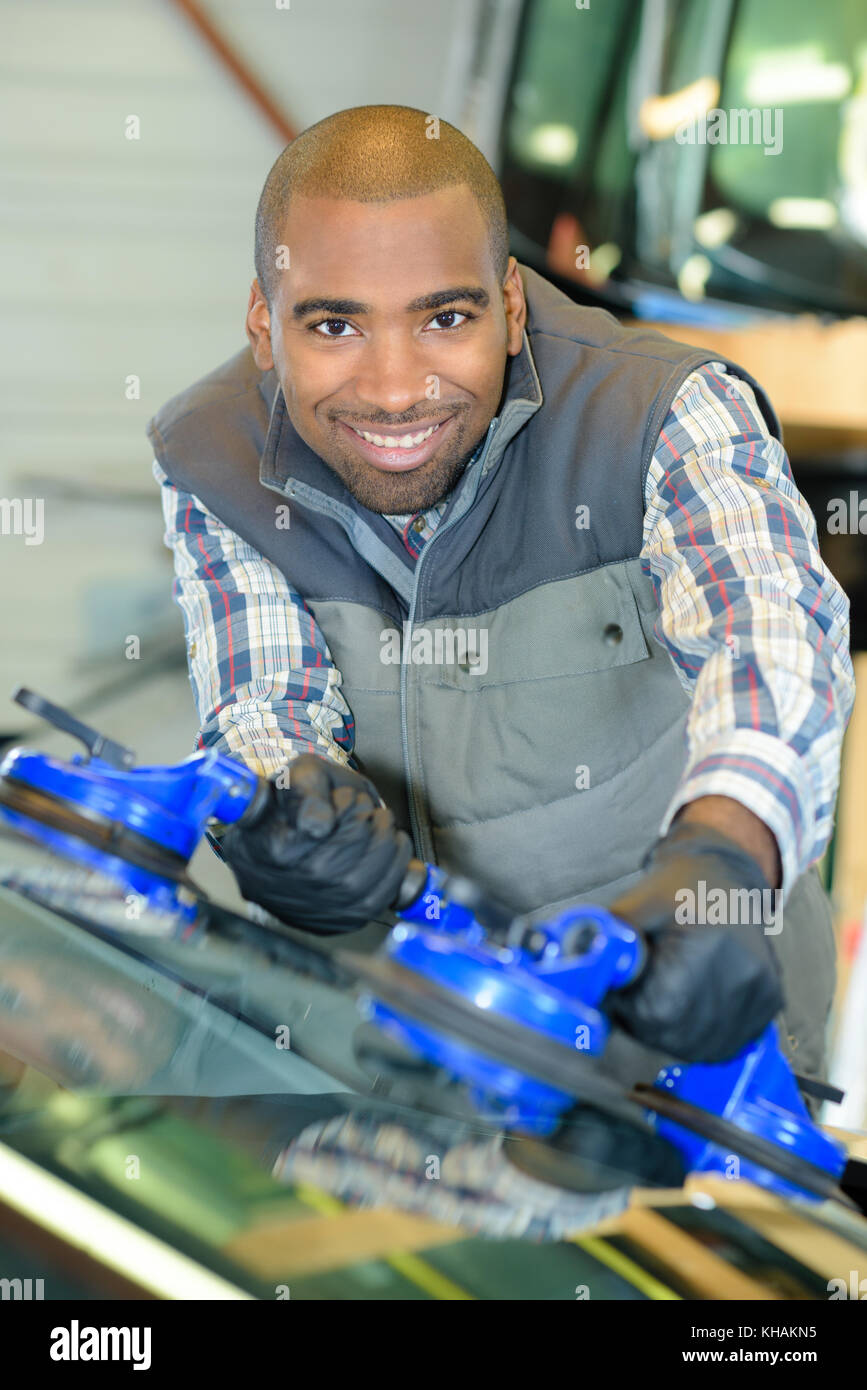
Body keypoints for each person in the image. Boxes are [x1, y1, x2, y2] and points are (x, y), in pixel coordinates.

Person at [148, 105, 855, 1085]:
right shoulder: (209, 457)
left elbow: (776, 633)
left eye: (446, 318)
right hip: (406, 1048)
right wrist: (284, 796)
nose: (396, 390)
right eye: (335, 324)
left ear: (511, 306)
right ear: (266, 327)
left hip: (683, 1038)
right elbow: (260, 699)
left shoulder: (660, 410)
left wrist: (727, 857)